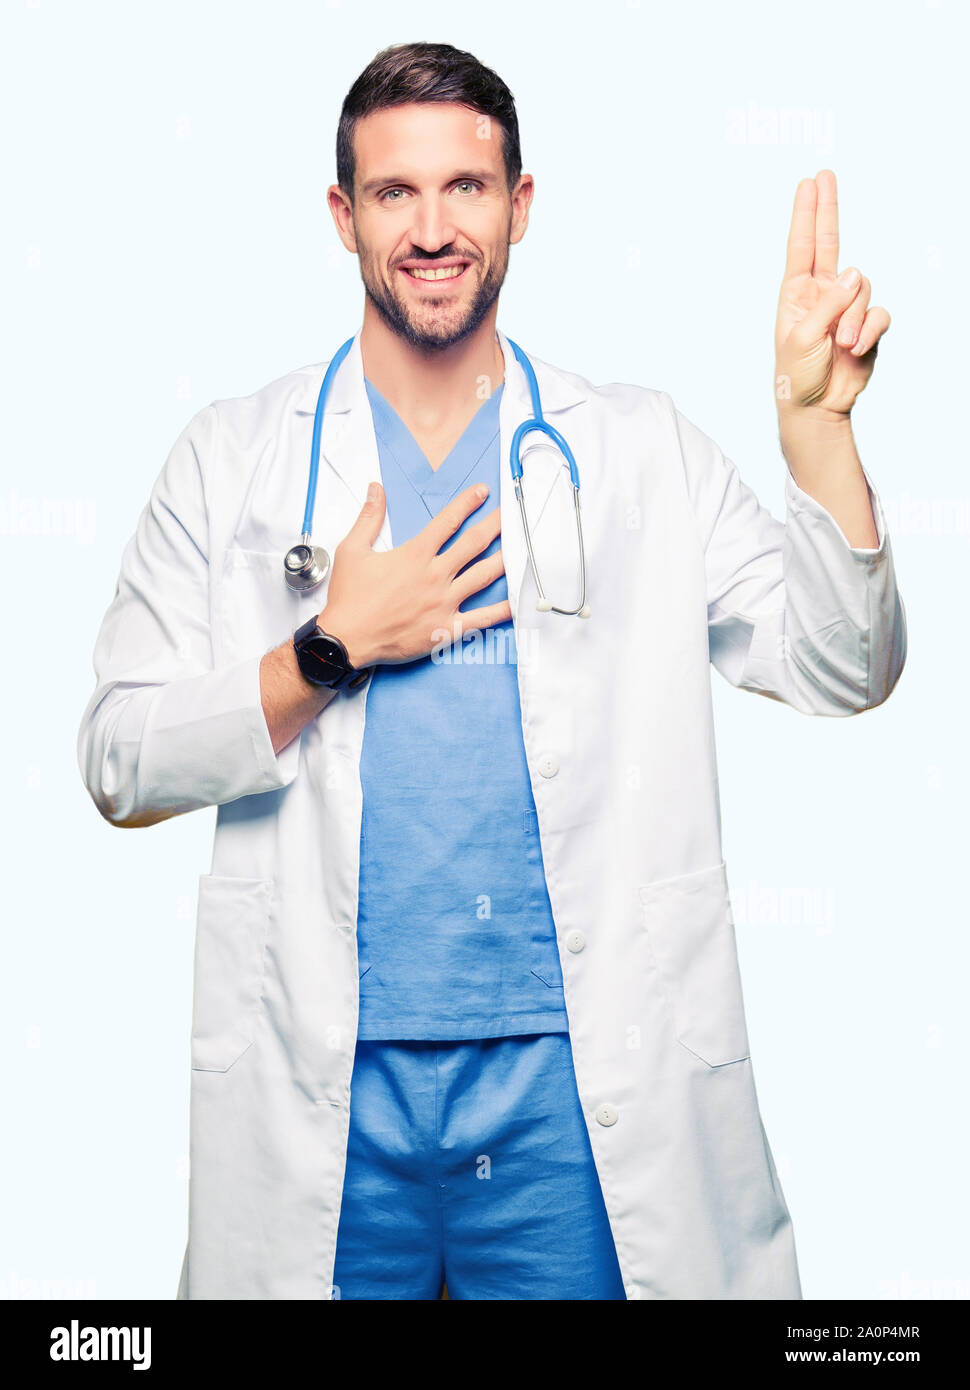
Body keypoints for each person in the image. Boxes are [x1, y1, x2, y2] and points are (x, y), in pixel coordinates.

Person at [77, 40, 907, 1300]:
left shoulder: (637, 448)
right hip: (331, 1089)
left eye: (465, 187)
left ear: (519, 208)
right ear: (342, 215)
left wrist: (817, 438)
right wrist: (329, 649)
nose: (430, 227)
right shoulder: (229, 456)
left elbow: (845, 664)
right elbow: (117, 757)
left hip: (572, 1094)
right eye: (394, 192)